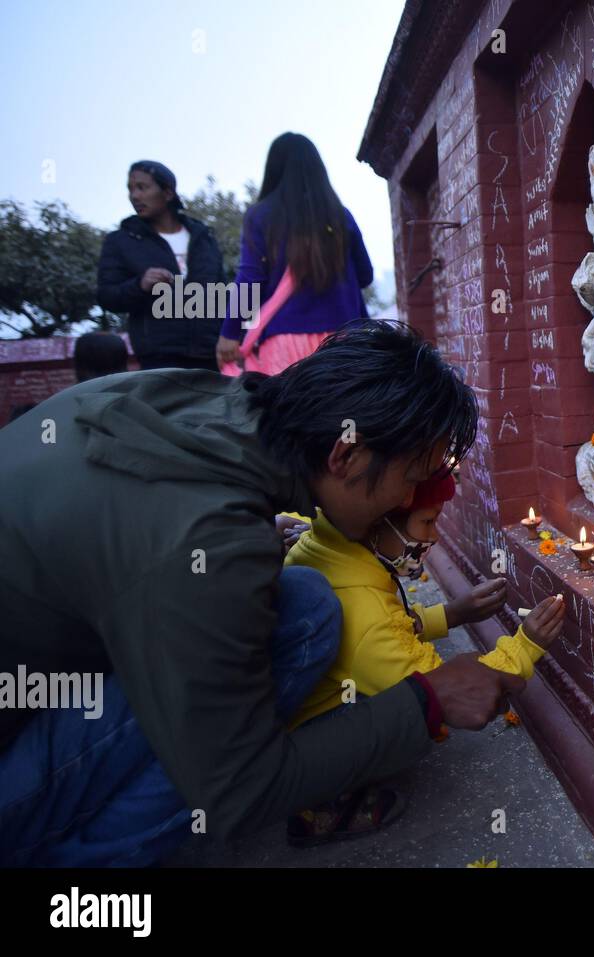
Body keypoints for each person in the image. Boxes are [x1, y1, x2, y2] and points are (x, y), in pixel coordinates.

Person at [0, 320, 525, 865]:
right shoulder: (211, 542)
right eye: (412, 478)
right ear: (345, 456)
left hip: (42, 680)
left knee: (303, 604)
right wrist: (429, 700)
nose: (410, 499)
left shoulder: (185, 398)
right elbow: (241, 790)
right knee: (222, 762)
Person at [278, 475, 564, 845]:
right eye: (427, 522)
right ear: (377, 522)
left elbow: (389, 629)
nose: (433, 537)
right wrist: (526, 645)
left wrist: (451, 614)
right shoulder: (365, 609)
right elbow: (444, 690)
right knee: (413, 719)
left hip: (296, 710)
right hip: (303, 746)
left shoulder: (325, 546)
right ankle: (319, 807)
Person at [217, 132, 373, 376]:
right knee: (343, 412)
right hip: (346, 341)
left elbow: (250, 281)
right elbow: (365, 276)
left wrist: (229, 333)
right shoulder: (341, 216)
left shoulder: (260, 216)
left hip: (284, 341)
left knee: (290, 412)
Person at [96, 161, 225, 370]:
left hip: (211, 355)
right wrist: (140, 285)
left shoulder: (203, 238)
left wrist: (236, 336)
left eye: (142, 187)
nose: (134, 196)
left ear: (167, 193)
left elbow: (222, 295)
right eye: (130, 189)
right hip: (159, 360)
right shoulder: (121, 241)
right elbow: (106, 296)